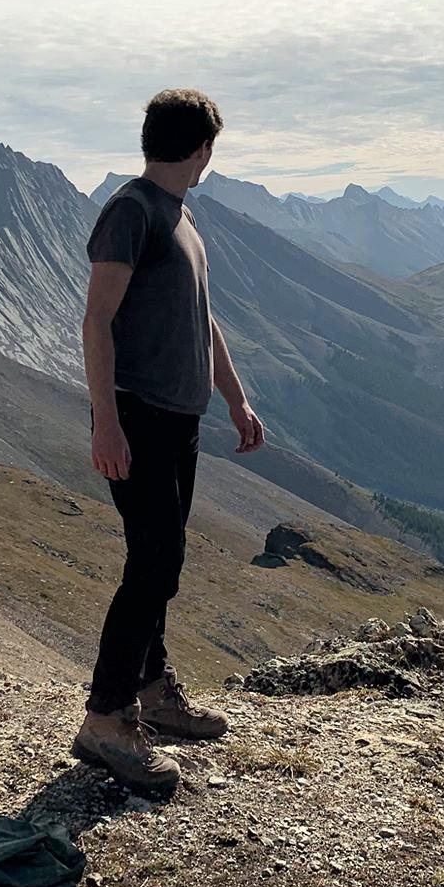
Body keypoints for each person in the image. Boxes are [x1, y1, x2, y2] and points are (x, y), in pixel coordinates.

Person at [72, 88, 265, 794]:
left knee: (163, 562)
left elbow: (202, 320)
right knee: (151, 565)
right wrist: (108, 421)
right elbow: (97, 320)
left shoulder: (179, 219)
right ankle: (105, 720)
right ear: (201, 150)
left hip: (176, 421)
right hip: (140, 419)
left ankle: (152, 692)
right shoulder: (132, 213)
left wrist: (235, 399)